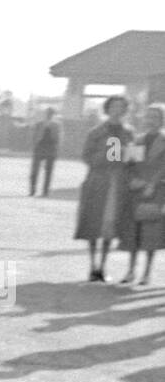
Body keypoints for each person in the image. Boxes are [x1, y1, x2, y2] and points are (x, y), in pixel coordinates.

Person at [74, 95, 134, 282]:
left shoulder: (129, 132)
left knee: (111, 224)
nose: (117, 110)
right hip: (98, 181)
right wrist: (104, 157)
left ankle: (103, 265)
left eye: (121, 107)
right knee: (94, 222)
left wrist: (128, 158)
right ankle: (93, 266)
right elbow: (86, 156)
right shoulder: (97, 132)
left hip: (118, 182)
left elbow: (133, 159)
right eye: (114, 106)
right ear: (107, 109)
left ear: (125, 110)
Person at [119, 104, 165, 285]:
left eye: (155, 117)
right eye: (148, 117)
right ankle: (130, 271)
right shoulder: (137, 140)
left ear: (161, 120)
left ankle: (146, 273)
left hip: (156, 192)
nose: (150, 120)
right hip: (136, 191)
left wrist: (152, 185)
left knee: (151, 233)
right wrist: (133, 181)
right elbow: (128, 165)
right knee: (133, 233)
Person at [30, 108, 60, 197]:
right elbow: (34, 136)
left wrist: (56, 150)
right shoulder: (39, 124)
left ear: (53, 115)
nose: (49, 115)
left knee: (48, 171)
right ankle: (32, 189)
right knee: (35, 170)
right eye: (48, 113)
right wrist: (34, 146)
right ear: (45, 114)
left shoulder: (56, 125)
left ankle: (45, 191)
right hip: (40, 148)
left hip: (50, 149)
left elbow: (58, 138)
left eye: (51, 114)